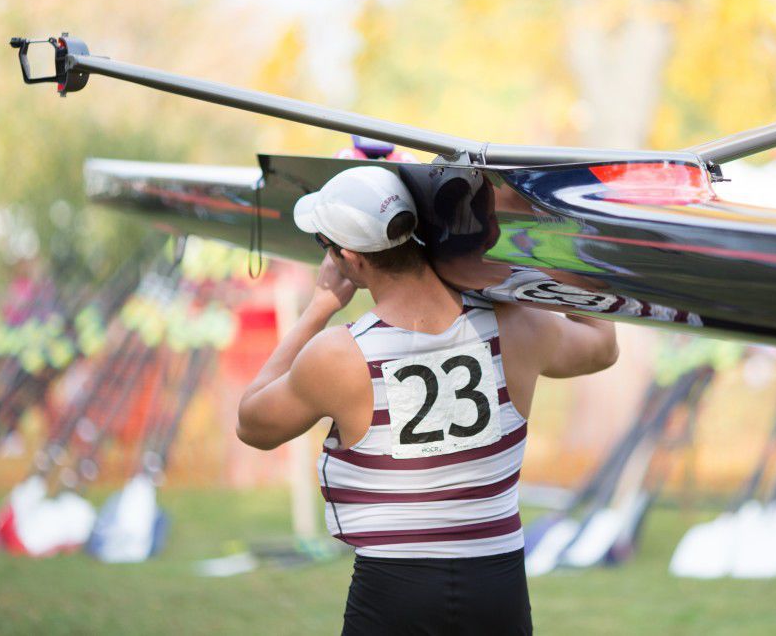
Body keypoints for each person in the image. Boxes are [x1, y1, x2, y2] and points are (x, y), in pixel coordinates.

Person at [236, 165, 619, 635]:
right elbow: (602, 346)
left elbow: (252, 424)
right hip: (498, 585)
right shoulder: (516, 324)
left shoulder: (338, 355)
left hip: (393, 588)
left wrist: (319, 305)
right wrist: (555, 238)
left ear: (350, 259)